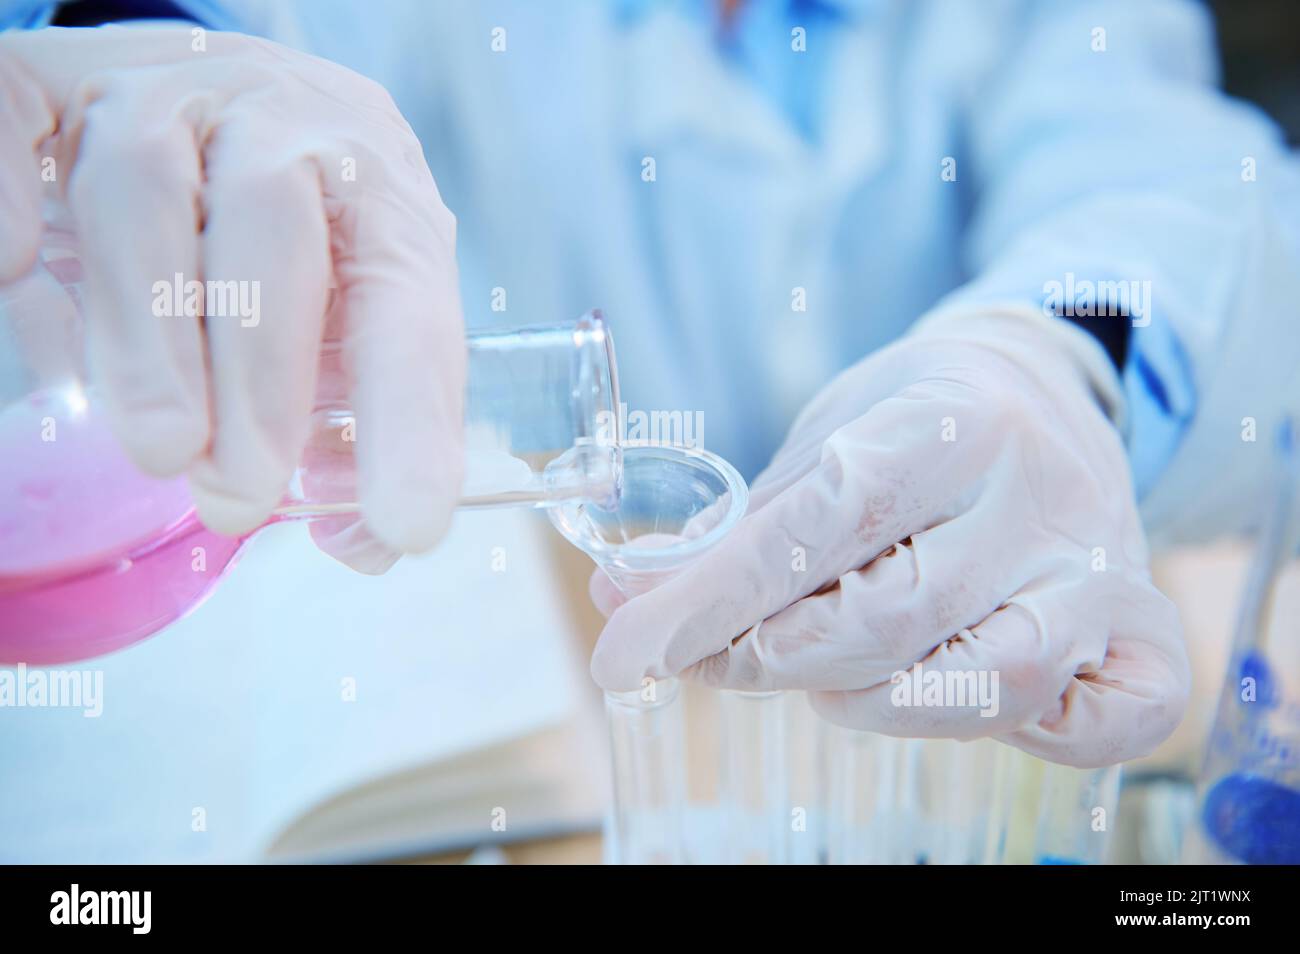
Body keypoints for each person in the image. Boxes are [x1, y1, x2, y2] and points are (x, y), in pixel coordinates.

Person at [2, 0, 1298, 767]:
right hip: (524, 748)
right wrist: (147, 67)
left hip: (948, 770)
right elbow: (190, 47)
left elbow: (1183, 193)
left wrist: (1056, 357)